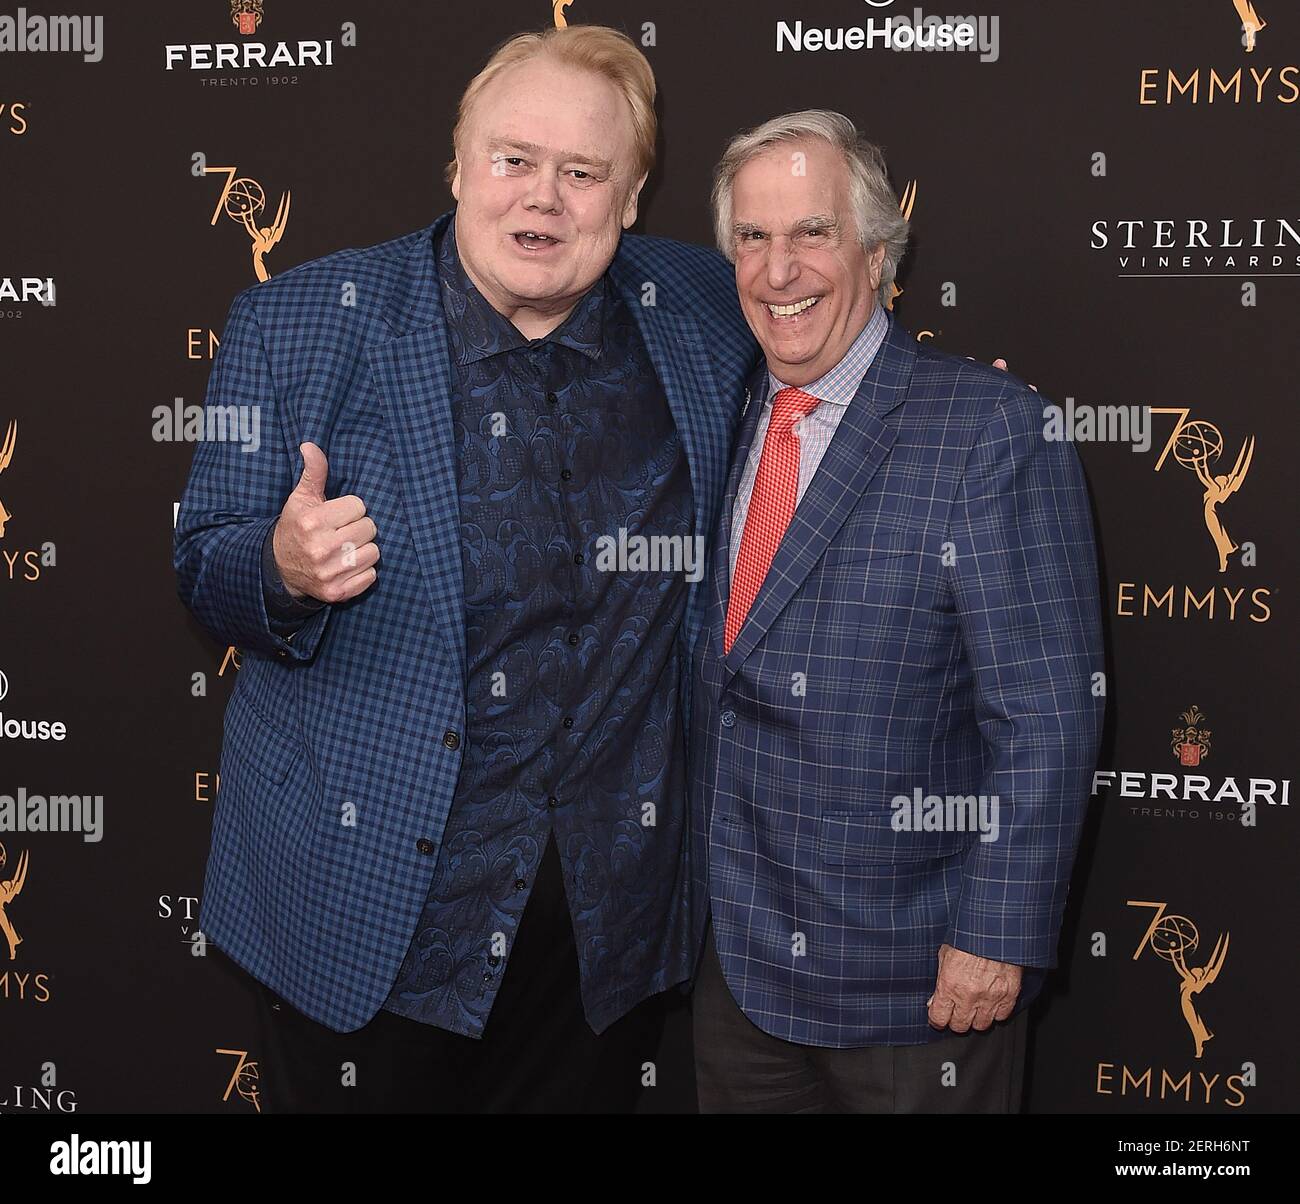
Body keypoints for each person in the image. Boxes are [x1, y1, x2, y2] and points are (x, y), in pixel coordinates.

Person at [174, 24, 756, 1113]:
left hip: (601, 933)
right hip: (367, 916)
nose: (544, 197)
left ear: (632, 200)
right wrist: (281, 567)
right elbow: (204, 561)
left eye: (584, 172)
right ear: (457, 167)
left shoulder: (708, 315)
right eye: (513, 159)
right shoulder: (301, 325)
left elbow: (830, 326)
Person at [687, 110, 1105, 1113]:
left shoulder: (988, 430)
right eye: (752, 237)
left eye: (811, 233)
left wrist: (995, 934)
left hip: (916, 990)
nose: (777, 268)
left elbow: (1046, 711)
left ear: (878, 253)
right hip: (736, 974)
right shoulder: (719, 407)